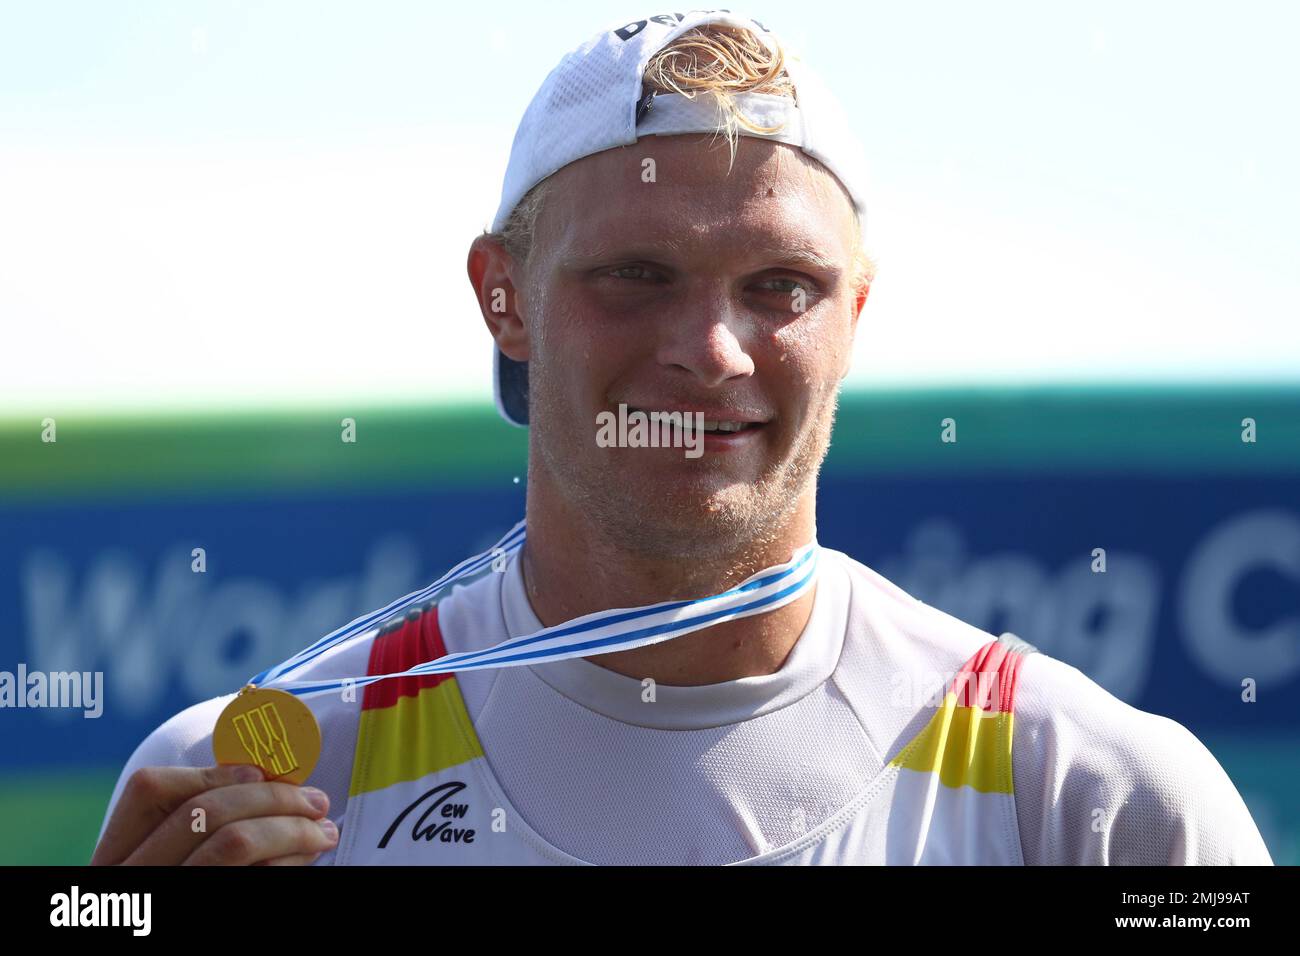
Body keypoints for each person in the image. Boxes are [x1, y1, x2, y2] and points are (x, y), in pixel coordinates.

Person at [92, 9, 1272, 866]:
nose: (711, 349)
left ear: (855, 312)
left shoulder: (1095, 800)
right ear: (502, 295)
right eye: (636, 273)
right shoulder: (260, 785)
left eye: (780, 285)